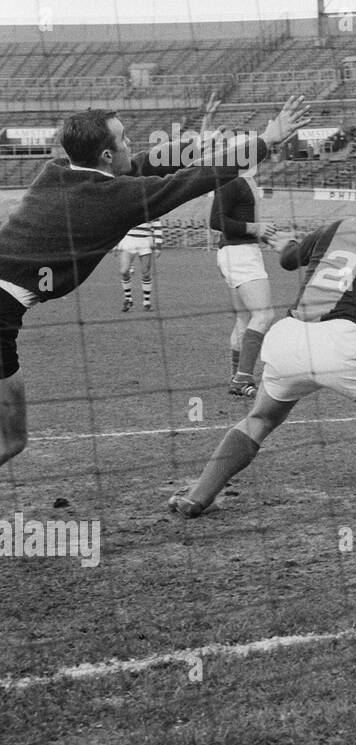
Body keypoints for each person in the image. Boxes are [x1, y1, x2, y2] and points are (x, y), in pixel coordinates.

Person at [0, 95, 309, 467]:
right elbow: (194, 179)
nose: (132, 144)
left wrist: (194, 145)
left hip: (6, 313)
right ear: (107, 157)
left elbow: (145, 162)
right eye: (124, 139)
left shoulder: (54, 172)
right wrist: (266, 139)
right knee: (11, 441)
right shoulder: (118, 197)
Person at [169, 165, 356, 521]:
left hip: (289, 338)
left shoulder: (332, 228)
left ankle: (198, 495)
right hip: (341, 343)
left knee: (260, 419)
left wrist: (284, 241)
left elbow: (288, 260)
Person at [211, 166, 279, 397]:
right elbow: (215, 220)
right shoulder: (232, 180)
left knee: (245, 319)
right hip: (239, 254)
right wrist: (254, 228)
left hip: (239, 252)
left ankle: (237, 377)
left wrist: (263, 234)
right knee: (264, 315)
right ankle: (243, 379)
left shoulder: (245, 181)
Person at [116, 218, 162, 312]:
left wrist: (158, 246)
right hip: (129, 240)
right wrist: (116, 243)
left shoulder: (152, 208)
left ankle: (147, 302)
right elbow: (120, 224)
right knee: (124, 271)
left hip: (145, 241)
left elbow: (157, 227)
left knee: (146, 273)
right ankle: (128, 299)